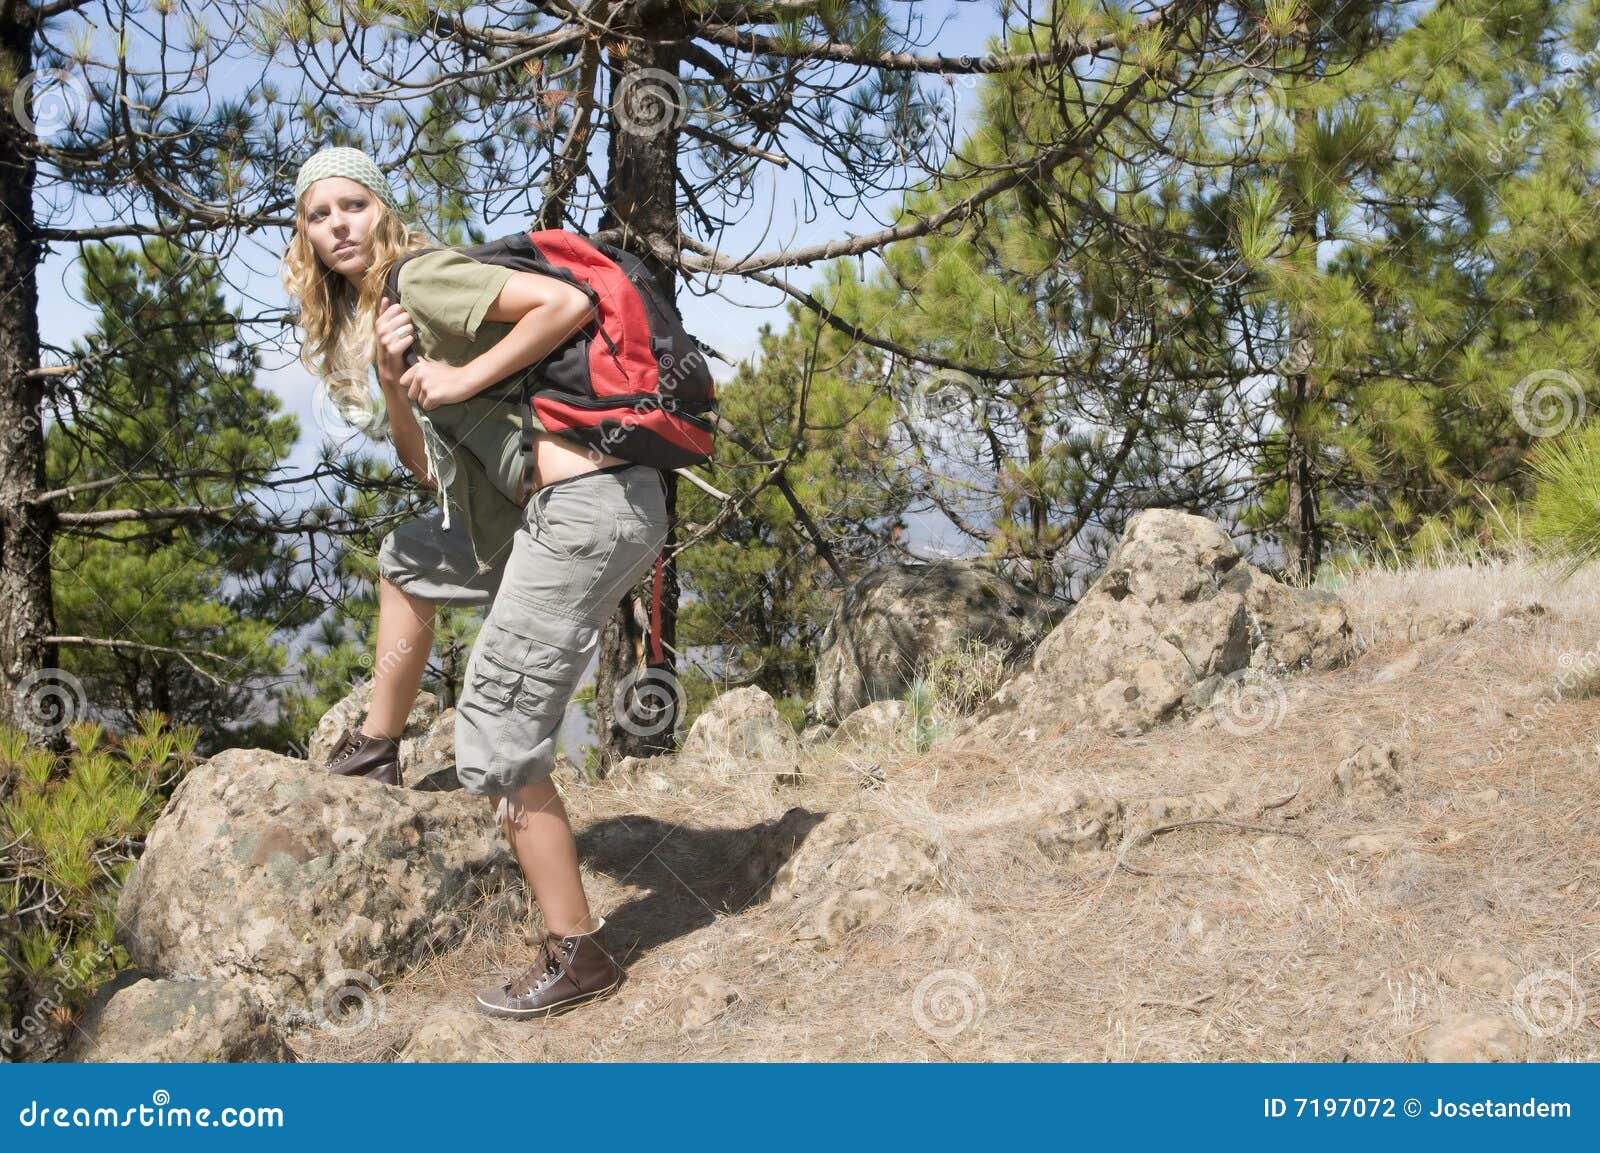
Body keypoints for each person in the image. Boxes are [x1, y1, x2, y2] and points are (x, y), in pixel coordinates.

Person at [281, 146, 669, 1019]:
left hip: (586, 508)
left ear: (383, 210)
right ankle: (379, 749)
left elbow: (564, 304)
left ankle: (580, 952)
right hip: (546, 514)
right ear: (305, 237)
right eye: (319, 214)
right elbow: (429, 470)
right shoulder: (393, 312)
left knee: (494, 723)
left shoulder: (422, 277)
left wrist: (459, 373)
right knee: (407, 555)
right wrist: (393, 380)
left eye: (354, 205)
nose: (340, 225)